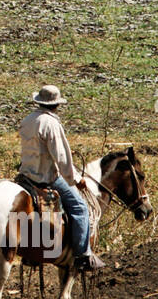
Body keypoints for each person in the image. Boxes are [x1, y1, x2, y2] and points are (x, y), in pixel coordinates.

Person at [18, 85, 104, 271]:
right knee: (80, 208)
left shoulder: (27, 120)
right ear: (56, 105)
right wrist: (75, 179)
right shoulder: (52, 124)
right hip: (46, 177)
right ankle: (83, 255)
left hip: (26, 176)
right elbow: (62, 159)